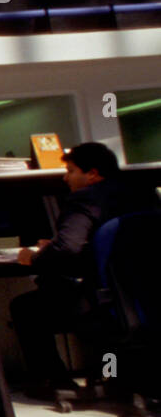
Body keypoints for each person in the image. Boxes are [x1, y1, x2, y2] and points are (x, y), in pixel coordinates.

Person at [11, 142, 157, 396]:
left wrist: (34, 258)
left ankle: (55, 382)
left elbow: (67, 249)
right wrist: (58, 245)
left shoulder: (86, 199)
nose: (66, 178)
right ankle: (121, 376)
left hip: (107, 304)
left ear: (92, 174)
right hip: (148, 299)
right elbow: (118, 244)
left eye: (70, 170)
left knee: (25, 307)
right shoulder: (144, 193)